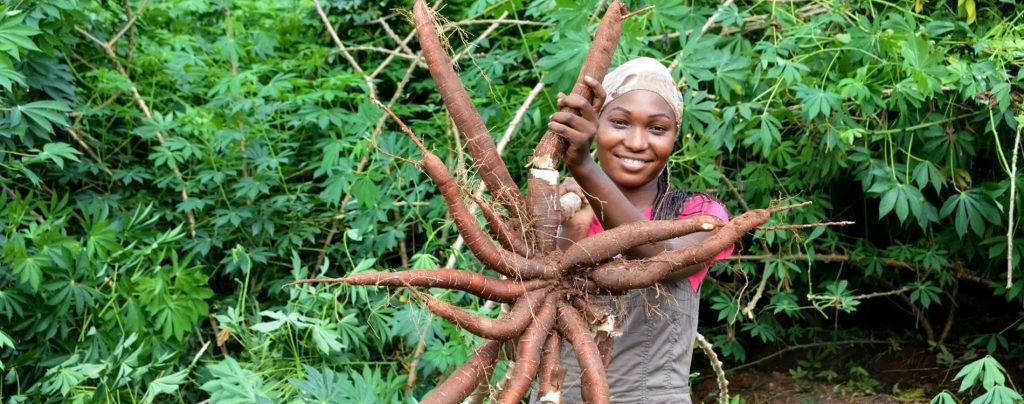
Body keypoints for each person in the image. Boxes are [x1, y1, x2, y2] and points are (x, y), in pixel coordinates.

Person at [542, 57, 734, 403]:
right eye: (619, 122)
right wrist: (570, 229)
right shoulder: (559, 209)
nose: (635, 142)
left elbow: (664, 259)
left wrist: (584, 167)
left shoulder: (701, 214)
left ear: (676, 137)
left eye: (657, 128)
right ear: (594, 125)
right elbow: (529, 327)